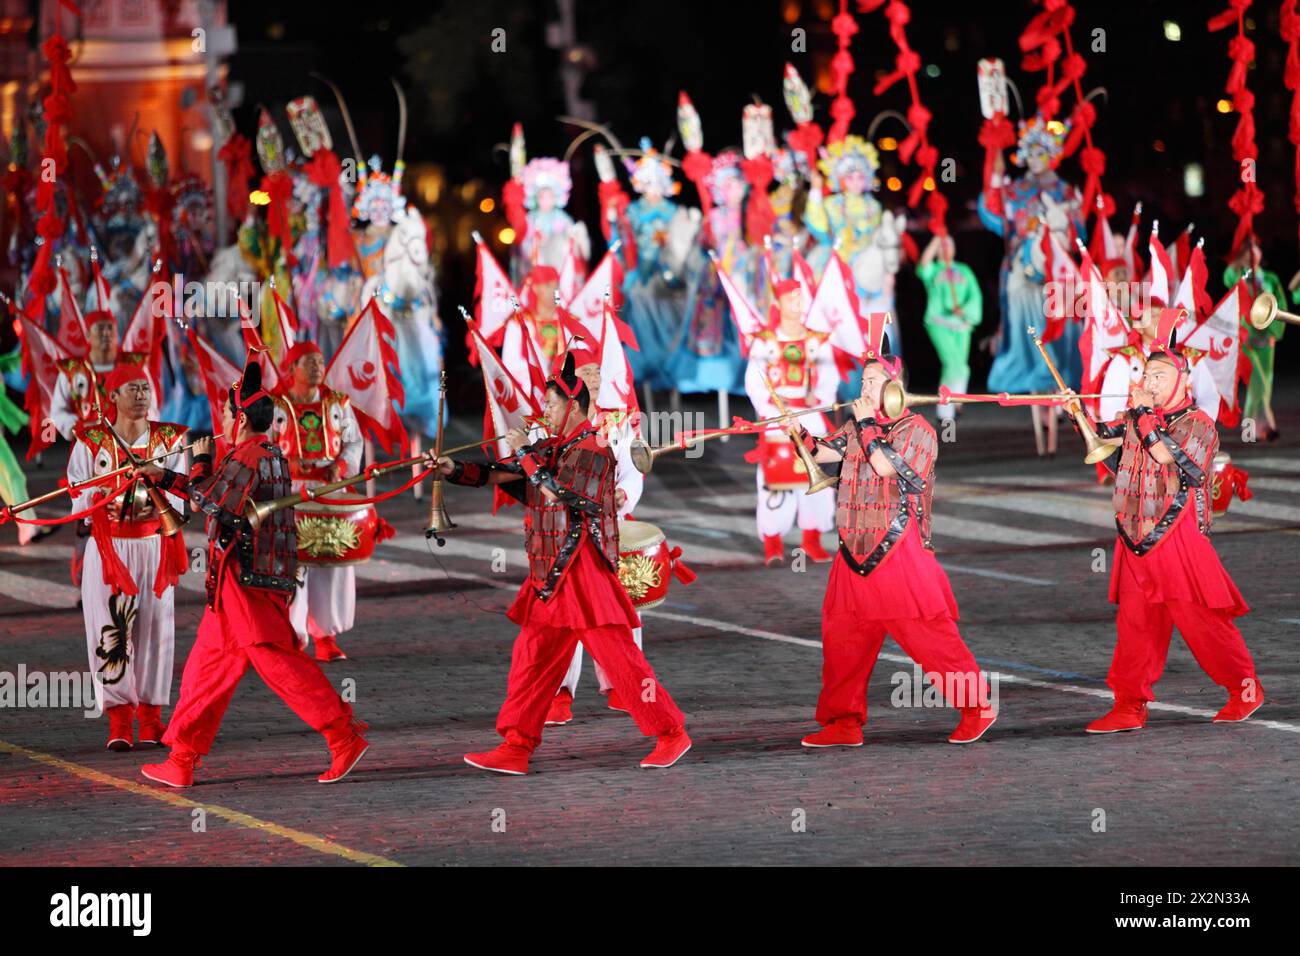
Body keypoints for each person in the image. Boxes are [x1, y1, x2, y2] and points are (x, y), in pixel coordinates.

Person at [430, 356, 690, 774]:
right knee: (530, 660)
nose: (545, 412)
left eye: (551, 405)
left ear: (573, 406)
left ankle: (671, 733)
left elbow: (558, 493)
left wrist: (525, 453)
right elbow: (508, 475)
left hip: (583, 572)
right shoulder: (554, 447)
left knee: (623, 662)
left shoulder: (596, 448)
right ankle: (516, 745)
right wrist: (455, 470)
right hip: (550, 575)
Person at [135, 359, 369, 787]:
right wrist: (166, 475)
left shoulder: (250, 455)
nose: (221, 420)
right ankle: (182, 757)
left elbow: (212, 503)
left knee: (279, 664)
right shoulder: (264, 453)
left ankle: (342, 736)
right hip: (233, 583)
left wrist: (197, 463)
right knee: (206, 672)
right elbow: (216, 497)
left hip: (246, 584)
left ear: (239, 418)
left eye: (226, 413)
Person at [795, 316, 996, 746]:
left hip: (898, 549)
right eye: (863, 381)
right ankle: (843, 722)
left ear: (894, 386)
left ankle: (978, 705)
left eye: (872, 382)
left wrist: (865, 425)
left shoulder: (919, 431)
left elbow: (885, 464)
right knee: (843, 636)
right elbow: (821, 456)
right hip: (853, 550)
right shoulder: (856, 428)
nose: (863, 389)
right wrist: (798, 436)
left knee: (928, 636)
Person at [1066, 313, 1263, 733]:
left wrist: (1142, 414)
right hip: (1134, 535)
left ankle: (1244, 688)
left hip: (1178, 537)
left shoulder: (1200, 425)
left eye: (1160, 375)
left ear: (1182, 381)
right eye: (1147, 374)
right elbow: (1100, 438)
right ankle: (1129, 704)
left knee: (1202, 621)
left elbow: (1165, 455)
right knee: (1135, 624)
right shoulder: (1139, 418)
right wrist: (1076, 411)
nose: (1150, 381)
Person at [66, 366, 189, 750]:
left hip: (154, 544)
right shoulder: (91, 441)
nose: (141, 394)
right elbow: (77, 497)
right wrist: (102, 491)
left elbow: (182, 494)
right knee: (109, 628)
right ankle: (119, 720)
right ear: (113, 395)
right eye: (132, 389)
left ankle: (151, 719)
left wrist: (156, 481)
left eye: (146, 388)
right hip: (109, 546)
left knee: (156, 629)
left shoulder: (170, 440)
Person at [547, 347, 645, 725]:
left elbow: (634, 471)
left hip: (607, 528)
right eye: (584, 374)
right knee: (565, 616)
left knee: (618, 611)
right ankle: (559, 693)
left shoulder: (618, 422)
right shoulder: (548, 426)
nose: (592, 381)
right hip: (565, 533)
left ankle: (624, 685)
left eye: (596, 374)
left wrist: (624, 494)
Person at [978, 114, 1086, 457]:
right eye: (1032, 152)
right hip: (1020, 274)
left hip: (1055, 275)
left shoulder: (1066, 191)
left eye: (1043, 152)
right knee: (1028, 334)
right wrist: (994, 152)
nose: (1037, 158)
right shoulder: (1015, 190)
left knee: (1059, 335)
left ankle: (1062, 399)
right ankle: (1035, 396)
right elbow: (993, 212)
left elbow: (1078, 235)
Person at [272, 341, 363, 661]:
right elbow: (264, 445)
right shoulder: (276, 405)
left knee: (331, 558)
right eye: (308, 362)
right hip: (291, 492)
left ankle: (327, 635)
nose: (317, 368)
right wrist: (285, 468)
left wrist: (340, 467)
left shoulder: (338, 402)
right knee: (293, 564)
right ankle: (293, 634)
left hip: (329, 489)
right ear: (291, 369)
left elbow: (353, 442)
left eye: (320, 362)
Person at [743, 278, 835, 566]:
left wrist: (817, 397)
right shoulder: (765, 341)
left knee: (817, 472)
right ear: (778, 303)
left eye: (800, 297)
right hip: (777, 416)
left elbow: (828, 376)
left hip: (810, 415)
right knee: (776, 479)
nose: (797, 303)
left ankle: (812, 539)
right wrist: (771, 410)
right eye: (791, 298)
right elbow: (754, 380)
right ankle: (773, 541)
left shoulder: (816, 340)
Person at [1225, 234, 1285, 441]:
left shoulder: (1270, 279)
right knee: (1257, 383)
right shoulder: (1238, 275)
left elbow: (1280, 306)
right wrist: (1241, 265)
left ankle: (1259, 430)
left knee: (1265, 386)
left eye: (1256, 248)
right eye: (1248, 250)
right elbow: (1229, 280)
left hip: (1266, 339)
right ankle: (1258, 427)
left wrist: (1275, 331)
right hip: (1247, 339)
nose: (1254, 253)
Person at [917, 234, 982, 421]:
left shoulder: (964, 270)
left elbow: (975, 296)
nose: (945, 249)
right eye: (941, 247)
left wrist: (964, 310)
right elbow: (924, 263)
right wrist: (938, 237)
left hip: (961, 323)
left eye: (948, 245)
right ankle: (946, 409)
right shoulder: (934, 270)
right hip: (939, 323)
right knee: (952, 363)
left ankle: (956, 402)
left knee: (961, 366)